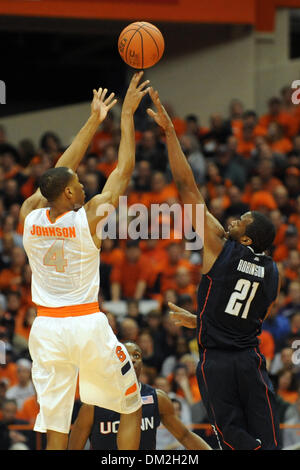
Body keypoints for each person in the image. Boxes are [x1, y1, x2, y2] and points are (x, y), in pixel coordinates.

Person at [19, 72, 151, 450]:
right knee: (130, 405)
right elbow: (122, 173)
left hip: (45, 329)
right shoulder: (88, 217)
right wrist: (125, 115)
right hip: (85, 325)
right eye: (77, 184)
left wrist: (93, 120)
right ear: (67, 193)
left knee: (57, 422)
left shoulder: (30, 214)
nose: (83, 183)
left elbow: (57, 175)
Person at [147, 87, 281, 450]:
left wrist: (170, 133)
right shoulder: (273, 272)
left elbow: (187, 189)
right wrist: (201, 319)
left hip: (217, 362)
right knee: (269, 437)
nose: (234, 221)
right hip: (250, 359)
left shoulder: (221, 251)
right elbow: (241, 309)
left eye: (242, 221)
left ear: (248, 240)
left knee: (229, 434)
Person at [68, 341, 211, 450]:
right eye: (125, 355)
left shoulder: (157, 398)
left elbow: (185, 436)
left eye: (136, 355)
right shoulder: (93, 404)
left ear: (142, 364)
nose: (132, 359)